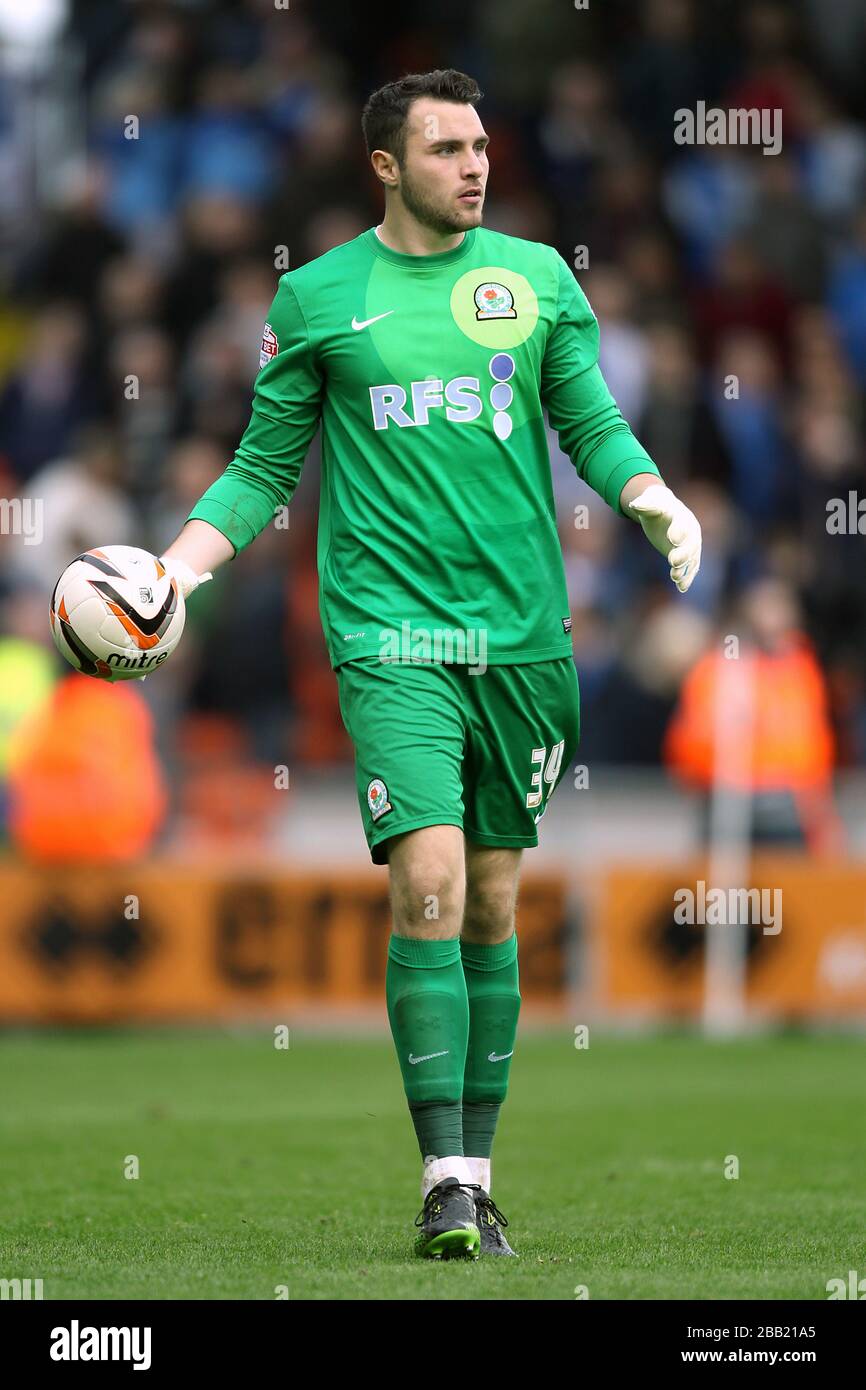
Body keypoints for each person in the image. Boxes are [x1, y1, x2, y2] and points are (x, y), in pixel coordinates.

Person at [157, 69, 702, 1260]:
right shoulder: (315, 298)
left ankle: (480, 1169)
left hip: (521, 639)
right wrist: (178, 571)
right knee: (433, 881)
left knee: (496, 902)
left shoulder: (537, 281)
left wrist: (648, 491)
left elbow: (589, 422)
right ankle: (442, 1184)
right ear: (386, 167)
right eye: (446, 147)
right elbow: (261, 468)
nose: (474, 165)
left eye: (479, 146)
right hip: (390, 634)